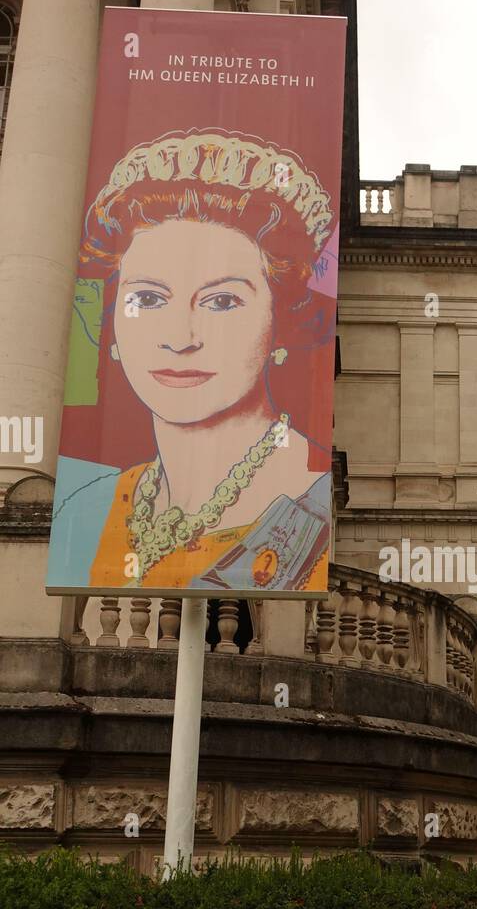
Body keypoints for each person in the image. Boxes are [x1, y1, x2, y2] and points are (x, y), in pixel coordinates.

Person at [48, 129, 335, 594]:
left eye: (221, 301)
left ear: (281, 322)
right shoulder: (87, 508)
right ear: (113, 325)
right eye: (148, 297)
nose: (180, 339)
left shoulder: (313, 493)